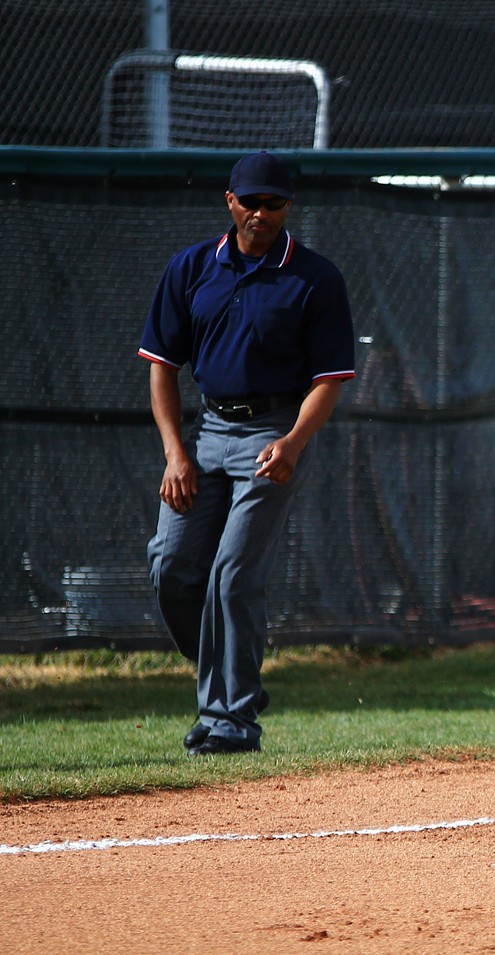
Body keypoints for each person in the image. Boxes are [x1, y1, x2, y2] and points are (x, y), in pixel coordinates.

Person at [137, 151, 355, 756]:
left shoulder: (314, 277)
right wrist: (175, 453)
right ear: (229, 201)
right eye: (250, 201)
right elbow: (162, 366)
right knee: (173, 567)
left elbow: (329, 378)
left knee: (233, 573)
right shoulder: (190, 269)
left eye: (274, 202)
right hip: (205, 434)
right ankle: (232, 674)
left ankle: (231, 720)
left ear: (289, 206)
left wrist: (292, 443)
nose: (261, 212)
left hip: (274, 431)